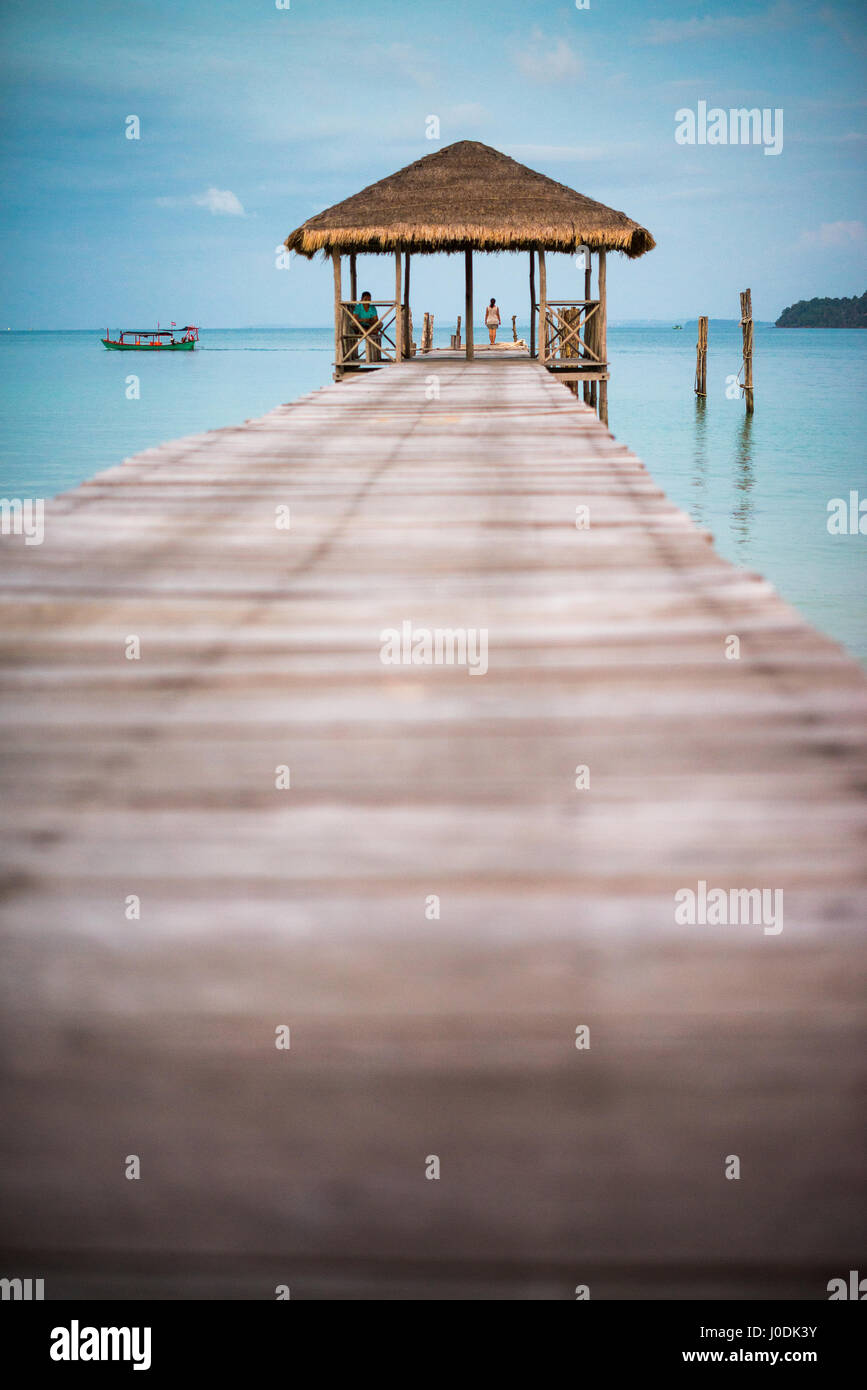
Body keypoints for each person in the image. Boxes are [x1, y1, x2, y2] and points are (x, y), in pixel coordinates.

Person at [348, 291, 381, 362]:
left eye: (369, 300)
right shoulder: (358, 307)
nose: (367, 301)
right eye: (365, 299)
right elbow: (354, 319)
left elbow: (376, 320)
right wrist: (363, 320)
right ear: (361, 300)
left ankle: (365, 332)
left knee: (380, 324)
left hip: (369, 326)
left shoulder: (372, 308)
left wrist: (369, 321)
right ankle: (368, 332)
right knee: (352, 323)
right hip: (360, 326)